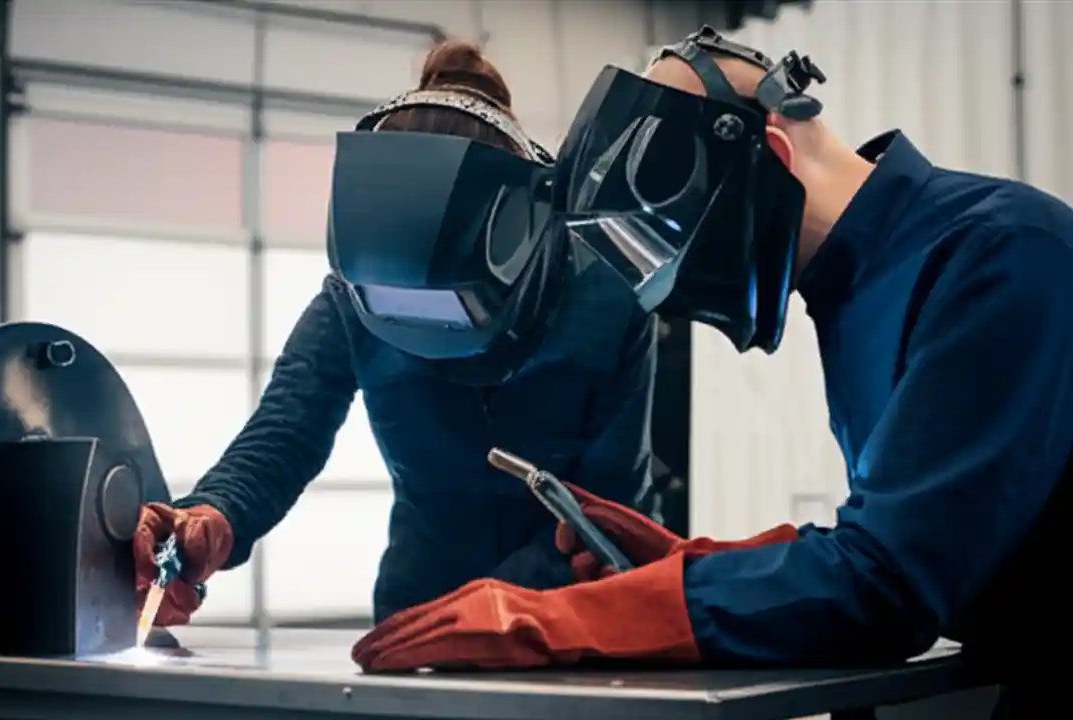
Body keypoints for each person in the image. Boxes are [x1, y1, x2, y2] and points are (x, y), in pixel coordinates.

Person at [351, 25, 1073, 712]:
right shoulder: (856, 293)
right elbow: (907, 531)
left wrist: (570, 618)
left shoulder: (998, 250)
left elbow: (889, 583)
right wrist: (689, 562)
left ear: (773, 153)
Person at [133, 40, 660, 628]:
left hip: (571, 612)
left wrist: (493, 605)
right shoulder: (353, 295)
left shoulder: (608, 299)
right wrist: (212, 517)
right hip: (419, 609)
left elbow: (611, 504)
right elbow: (285, 432)